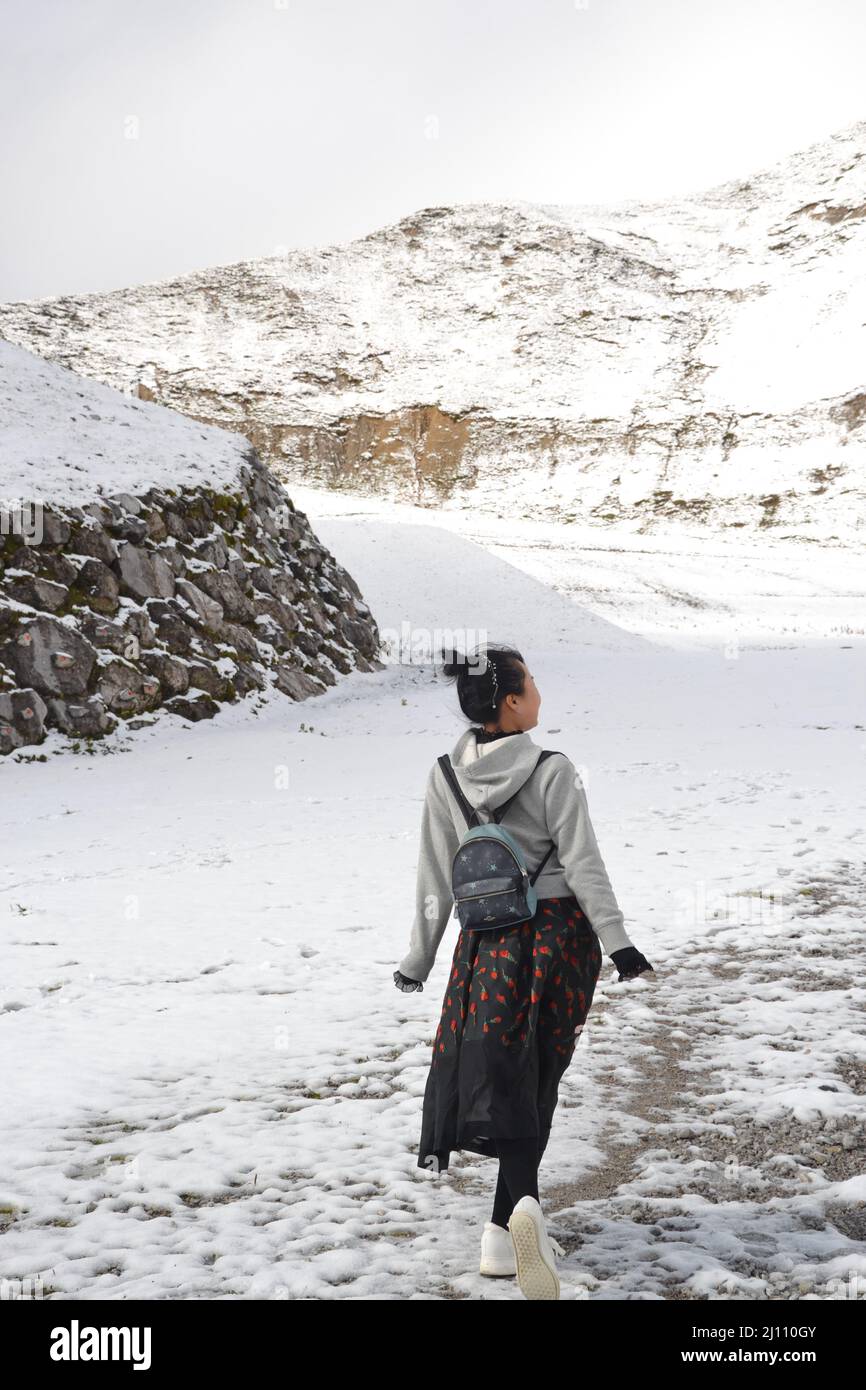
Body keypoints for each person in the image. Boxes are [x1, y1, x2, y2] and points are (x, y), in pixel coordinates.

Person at [393, 642, 654, 1300]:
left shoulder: (444, 775)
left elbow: (434, 877)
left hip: (487, 946)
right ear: (509, 702)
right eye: (530, 683)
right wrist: (618, 943)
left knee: (503, 1074)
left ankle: (498, 1235)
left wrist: (418, 959)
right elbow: (584, 863)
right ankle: (522, 1212)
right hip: (560, 941)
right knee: (537, 1076)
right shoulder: (552, 770)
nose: (538, 690)